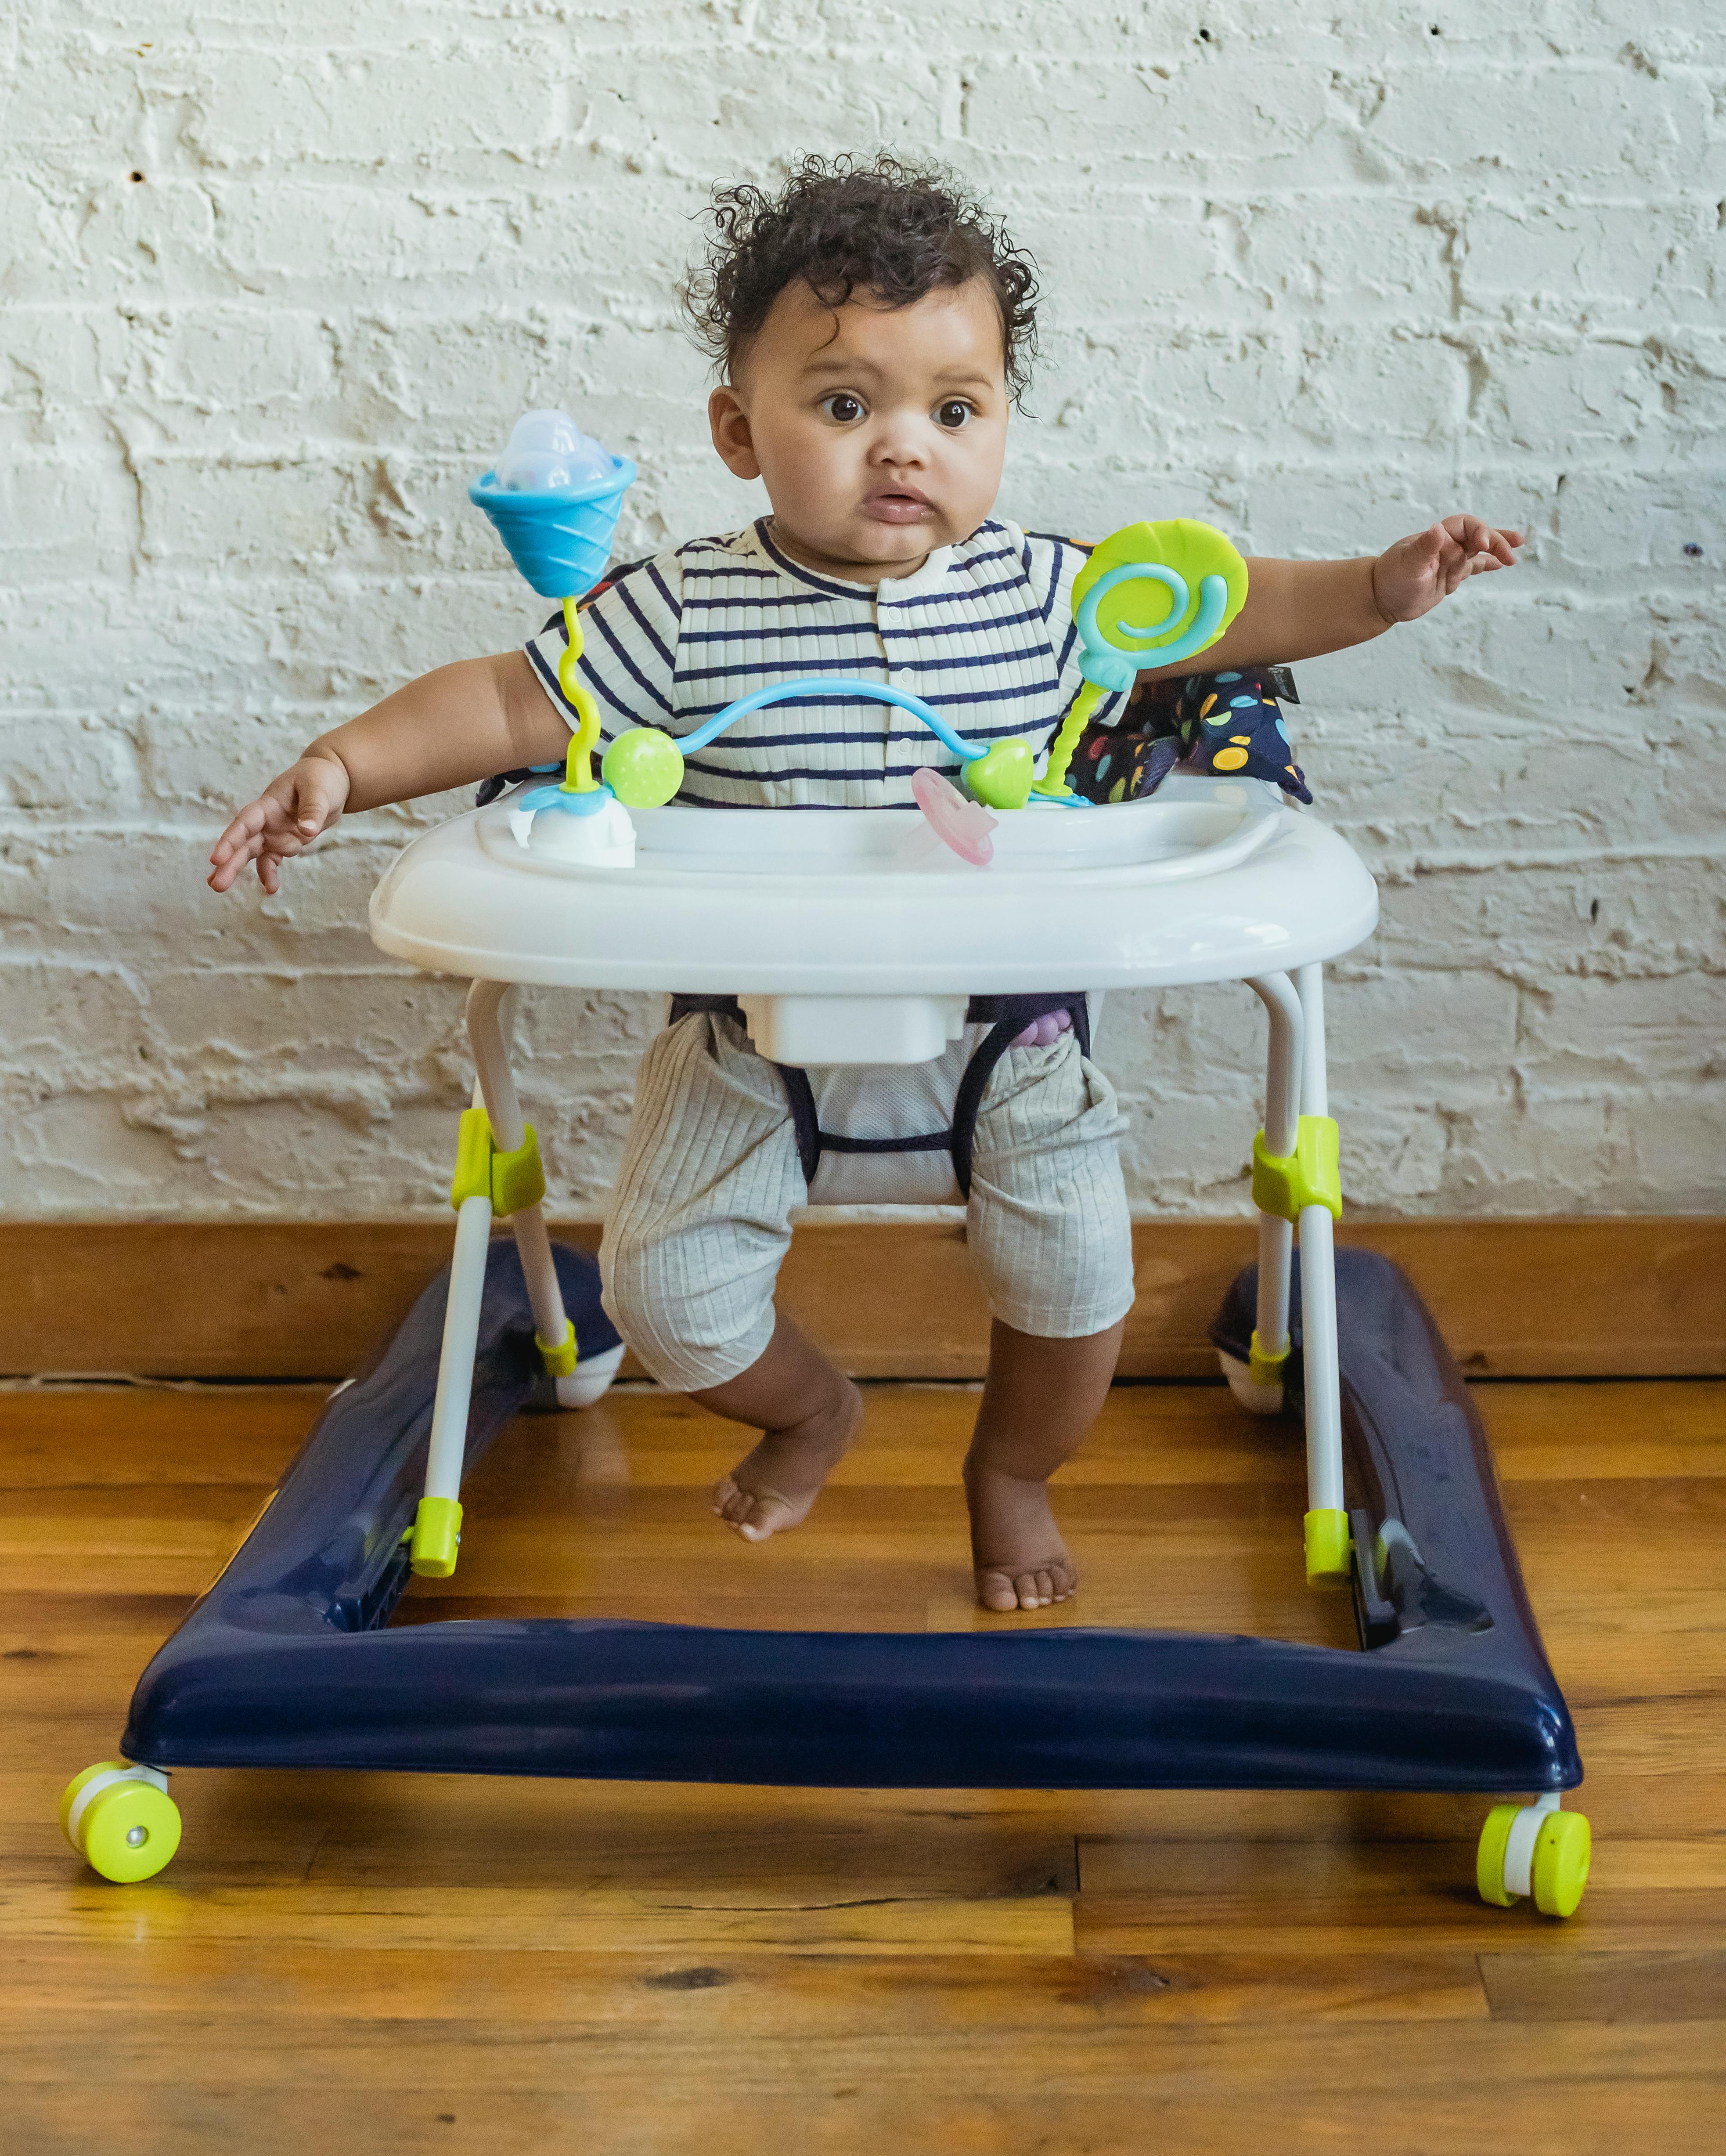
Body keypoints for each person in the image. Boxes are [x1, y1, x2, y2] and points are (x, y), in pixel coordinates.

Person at [209, 155, 1521, 1613]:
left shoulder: (1049, 597)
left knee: (1080, 1292)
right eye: (845, 406)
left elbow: (1230, 608)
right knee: (665, 1299)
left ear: (1002, 424)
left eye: (953, 411)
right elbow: (512, 703)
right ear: (737, 429)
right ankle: (806, 1408)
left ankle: (1009, 1474)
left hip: (1004, 1035)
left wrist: (1376, 591)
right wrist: (340, 762)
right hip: (743, 1034)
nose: (904, 447)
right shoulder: (680, 610)